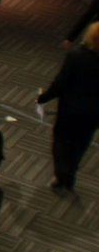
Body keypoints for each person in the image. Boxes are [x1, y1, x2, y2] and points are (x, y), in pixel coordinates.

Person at [40, 22, 99, 193]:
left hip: (70, 110)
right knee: (81, 143)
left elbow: (60, 84)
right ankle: (71, 172)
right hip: (94, 113)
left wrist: (43, 98)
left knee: (60, 141)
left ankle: (61, 174)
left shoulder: (76, 57)